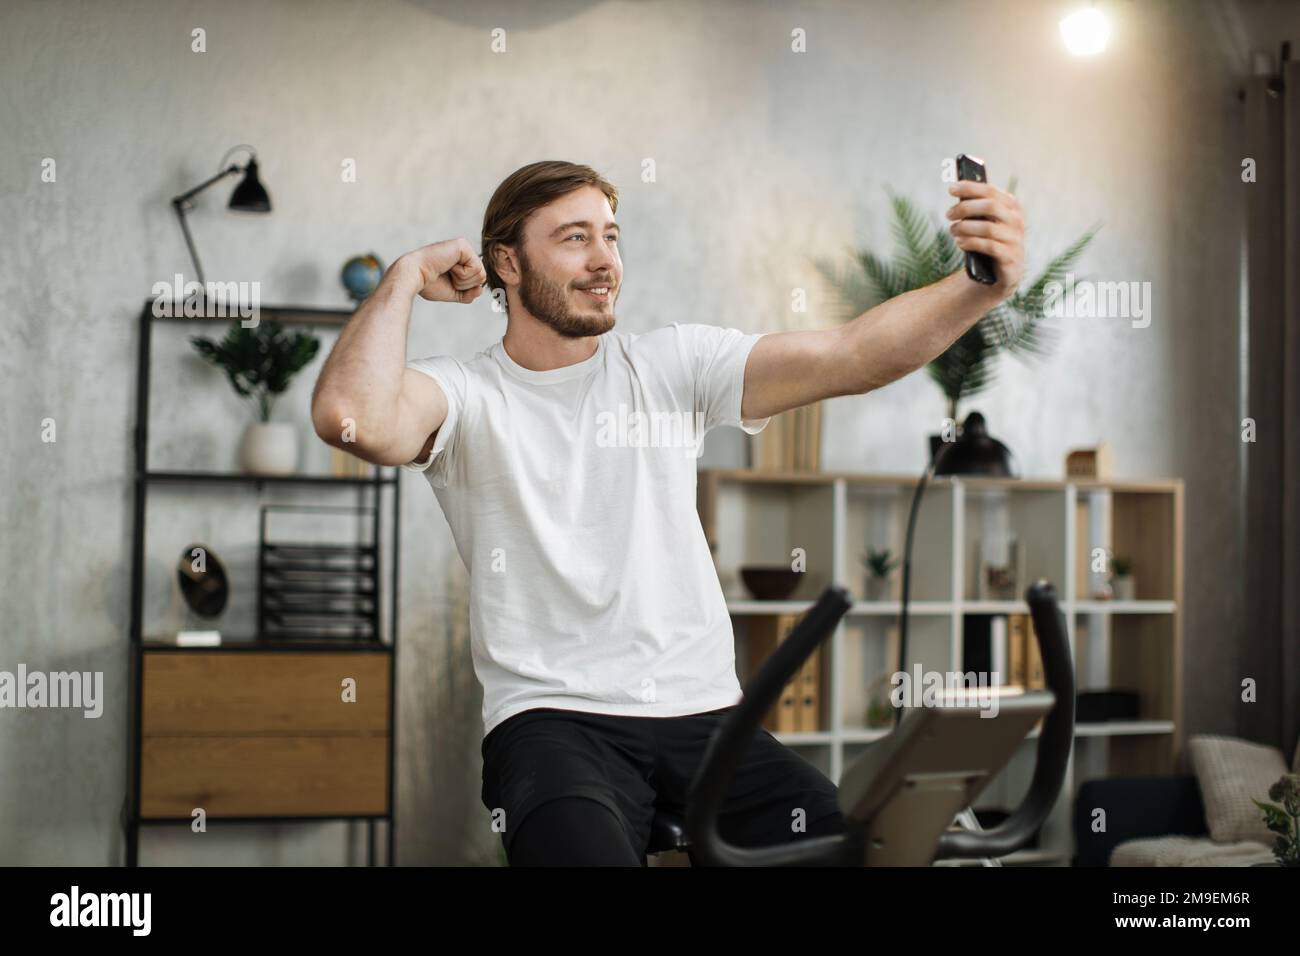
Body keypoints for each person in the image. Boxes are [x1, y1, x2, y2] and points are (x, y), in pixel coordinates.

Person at [311, 160, 1025, 865]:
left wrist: (978, 287)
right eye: (574, 239)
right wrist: (404, 275)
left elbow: (857, 354)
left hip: (706, 717)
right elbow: (349, 415)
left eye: (611, 236)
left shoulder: (672, 365)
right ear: (508, 262)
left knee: (856, 854)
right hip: (553, 723)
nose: (604, 262)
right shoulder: (464, 394)